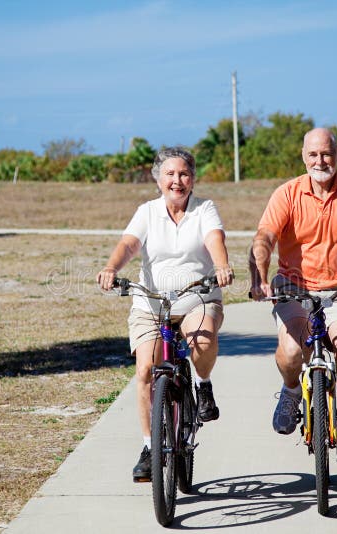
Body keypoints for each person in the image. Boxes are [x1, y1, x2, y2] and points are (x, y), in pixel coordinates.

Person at [248, 127, 337, 463]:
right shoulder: (288, 193)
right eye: (313, 154)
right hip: (294, 288)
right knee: (292, 351)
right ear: (303, 156)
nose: (320, 161)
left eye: (326, 154)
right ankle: (291, 389)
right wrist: (258, 279)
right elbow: (264, 239)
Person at [97, 146, 234, 482]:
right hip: (151, 303)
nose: (177, 180)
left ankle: (202, 385)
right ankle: (149, 447)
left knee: (202, 342)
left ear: (193, 179)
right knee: (146, 369)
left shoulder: (204, 209)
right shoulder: (147, 212)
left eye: (184, 174)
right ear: (157, 179)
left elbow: (214, 238)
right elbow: (129, 244)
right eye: (170, 174)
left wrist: (221, 265)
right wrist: (112, 267)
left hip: (197, 297)